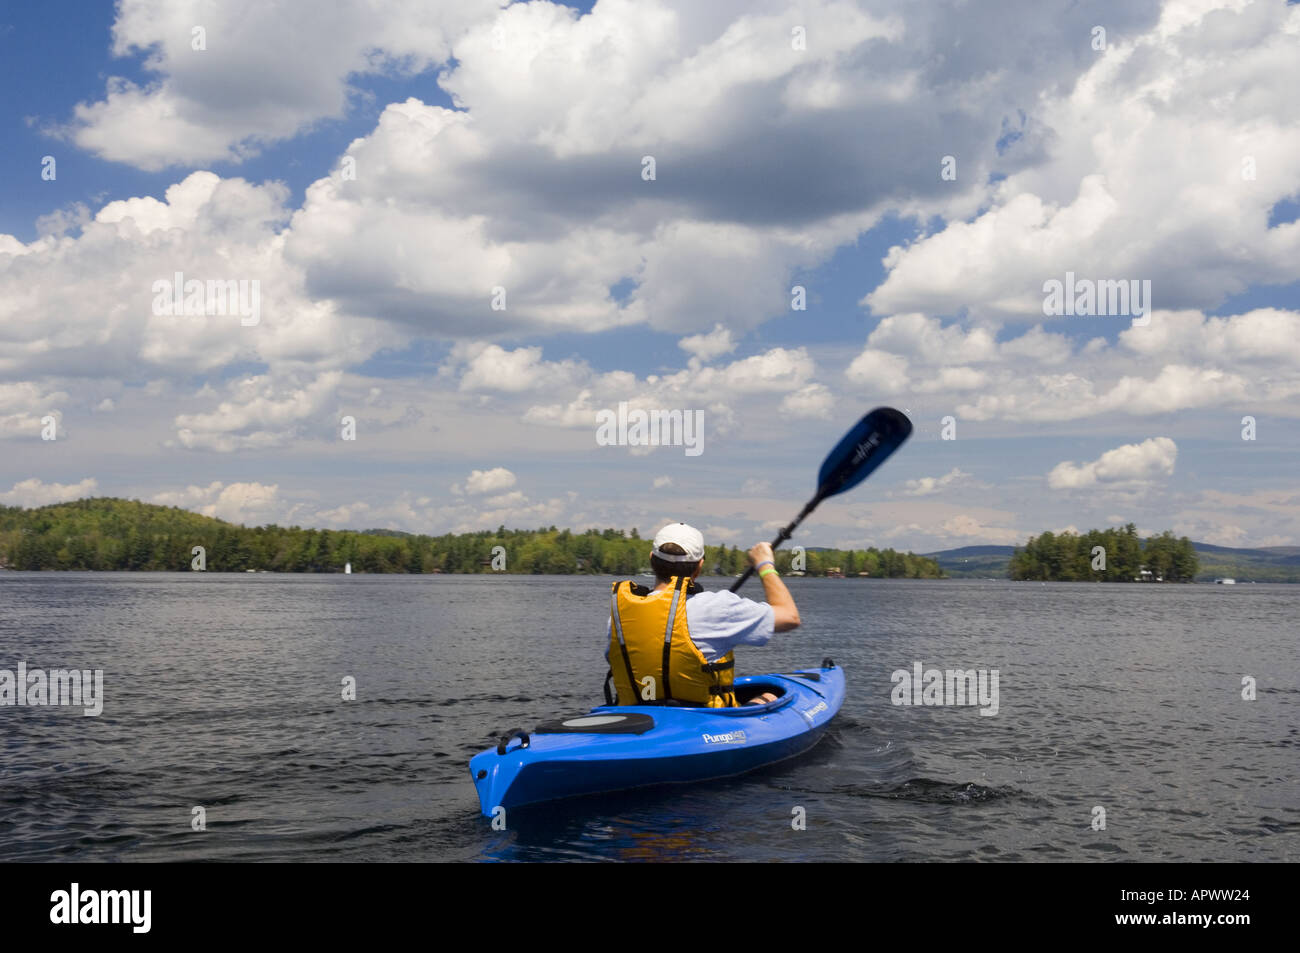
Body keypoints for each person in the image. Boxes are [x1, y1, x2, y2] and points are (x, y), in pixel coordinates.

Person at [605, 522, 801, 707]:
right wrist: (764, 565)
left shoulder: (619, 617)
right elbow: (790, 617)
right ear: (699, 567)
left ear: (651, 559)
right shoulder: (717, 607)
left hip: (637, 715)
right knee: (769, 696)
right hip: (704, 722)